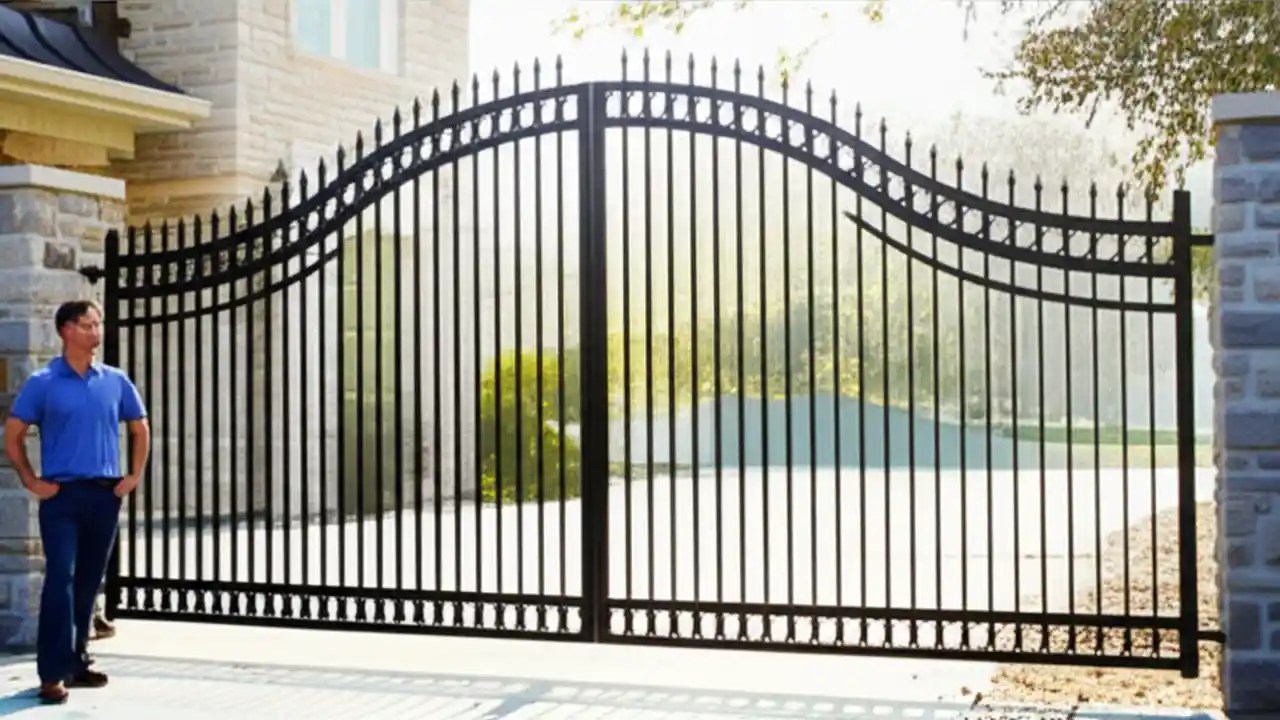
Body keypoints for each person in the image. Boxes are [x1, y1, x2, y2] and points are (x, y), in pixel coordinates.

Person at [2, 299, 149, 704]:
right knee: (60, 581)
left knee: (88, 582)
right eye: (87, 325)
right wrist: (31, 479)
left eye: (98, 324)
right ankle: (52, 673)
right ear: (66, 330)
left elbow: (140, 427)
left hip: (104, 496)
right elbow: (13, 435)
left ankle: (77, 660)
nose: (96, 332)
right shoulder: (43, 382)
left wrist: (133, 475)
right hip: (62, 497)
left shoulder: (116, 380)